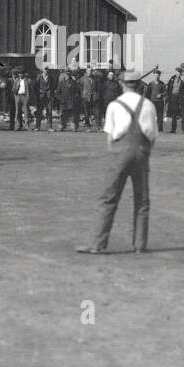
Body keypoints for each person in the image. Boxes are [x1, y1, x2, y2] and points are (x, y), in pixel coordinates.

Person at [76, 70, 157, 255]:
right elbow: (152, 135)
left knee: (108, 198)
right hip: (141, 152)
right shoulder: (148, 105)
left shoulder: (114, 105)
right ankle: (139, 245)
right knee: (142, 200)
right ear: (138, 85)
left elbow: (110, 138)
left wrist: (114, 156)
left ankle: (97, 244)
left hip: (120, 152)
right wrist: (144, 154)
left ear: (121, 84)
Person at [165, 65, 184, 133]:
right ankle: (173, 129)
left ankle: (183, 129)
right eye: (177, 72)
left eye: (179, 72)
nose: (178, 73)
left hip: (182, 97)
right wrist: (169, 96)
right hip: (174, 97)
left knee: (183, 114)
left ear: (181, 72)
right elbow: (169, 87)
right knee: (174, 114)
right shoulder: (172, 78)